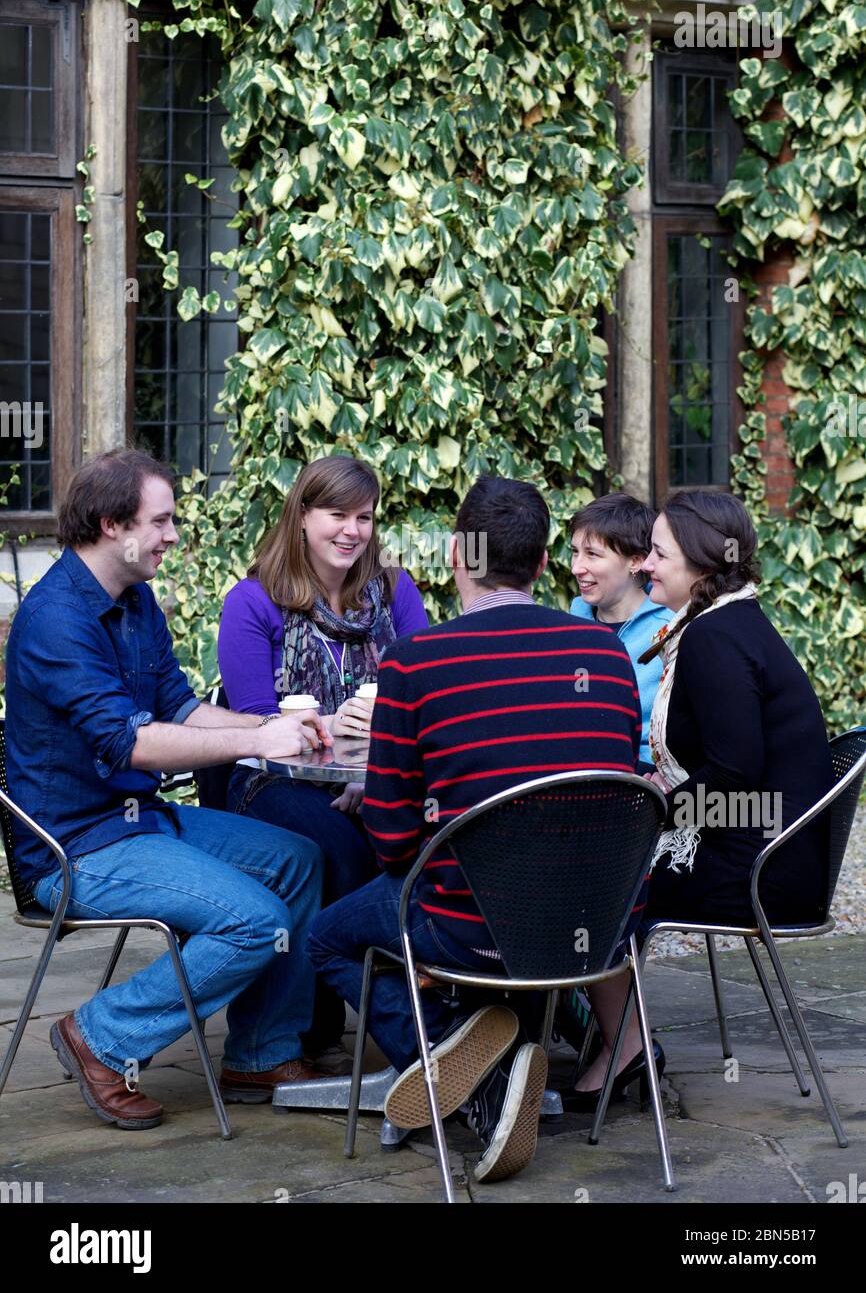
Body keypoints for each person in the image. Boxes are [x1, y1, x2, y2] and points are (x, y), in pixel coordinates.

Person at [304, 475, 647, 1182]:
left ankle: (470, 1067)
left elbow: (395, 844)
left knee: (325, 937)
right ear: (546, 566)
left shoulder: (415, 663)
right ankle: (498, 1047)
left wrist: (381, 797)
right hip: (596, 924)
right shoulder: (607, 655)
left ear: (457, 554)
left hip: (472, 928)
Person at [4, 449, 333, 1131]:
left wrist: (284, 725)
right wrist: (256, 741)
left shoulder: (135, 601)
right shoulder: (55, 619)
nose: (174, 535)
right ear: (109, 524)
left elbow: (179, 709)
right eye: (162, 521)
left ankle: (261, 1052)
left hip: (138, 819)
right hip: (74, 849)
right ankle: (101, 1037)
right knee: (253, 921)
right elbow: (131, 742)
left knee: (299, 859)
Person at [218, 454, 428, 1070]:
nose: (351, 530)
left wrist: (373, 773)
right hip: (269, 781)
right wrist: (332, 729)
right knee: (343, 844)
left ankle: (440, 997)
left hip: (378, 778)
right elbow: (259, 725)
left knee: (437, 831)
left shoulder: (395, 589)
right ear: (303, 516)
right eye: (336, 514)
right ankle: (379, 1019)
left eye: (363, 517)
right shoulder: (254, 602)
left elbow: (425, 699)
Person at [639, 489, 834, 927]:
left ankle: (545, 995)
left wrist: (655, 811)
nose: (646, 564)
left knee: (593, 879)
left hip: (761, 874)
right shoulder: (729, 622)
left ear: (702, 563)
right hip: (768, 857)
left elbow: (734, 772)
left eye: (658, 553)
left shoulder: (714, 637)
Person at [569, 493, 674, 772]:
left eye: (592, 554)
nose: (576, 567)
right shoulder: (566, 625)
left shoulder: (670, 632)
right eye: (574, 551)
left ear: (636, 561)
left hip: (643, 788)